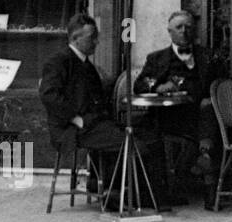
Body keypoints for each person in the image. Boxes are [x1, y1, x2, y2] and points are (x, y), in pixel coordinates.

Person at [40, 12, 168, 210]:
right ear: (75, 38)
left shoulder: (86, 64)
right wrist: (75, 119)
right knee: (128, 142)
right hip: (71, 129)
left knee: (149, 135)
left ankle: (150, 195)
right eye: (92, 37)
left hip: (93, 123)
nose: (96, 42)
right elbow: (49, 96)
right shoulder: (59, 61)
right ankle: (120, 195)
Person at [132, 9, 223, 202]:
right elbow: (139, 85)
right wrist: (158, 87)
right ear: (169, 31)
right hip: (167, 117)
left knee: (208, 110)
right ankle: (202, 162)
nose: (184, 31)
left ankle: (197, 169)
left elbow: (219, 84)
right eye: (179, 27)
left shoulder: (207, 56)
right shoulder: (156, 59)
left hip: (196, 114)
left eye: (188, 27)